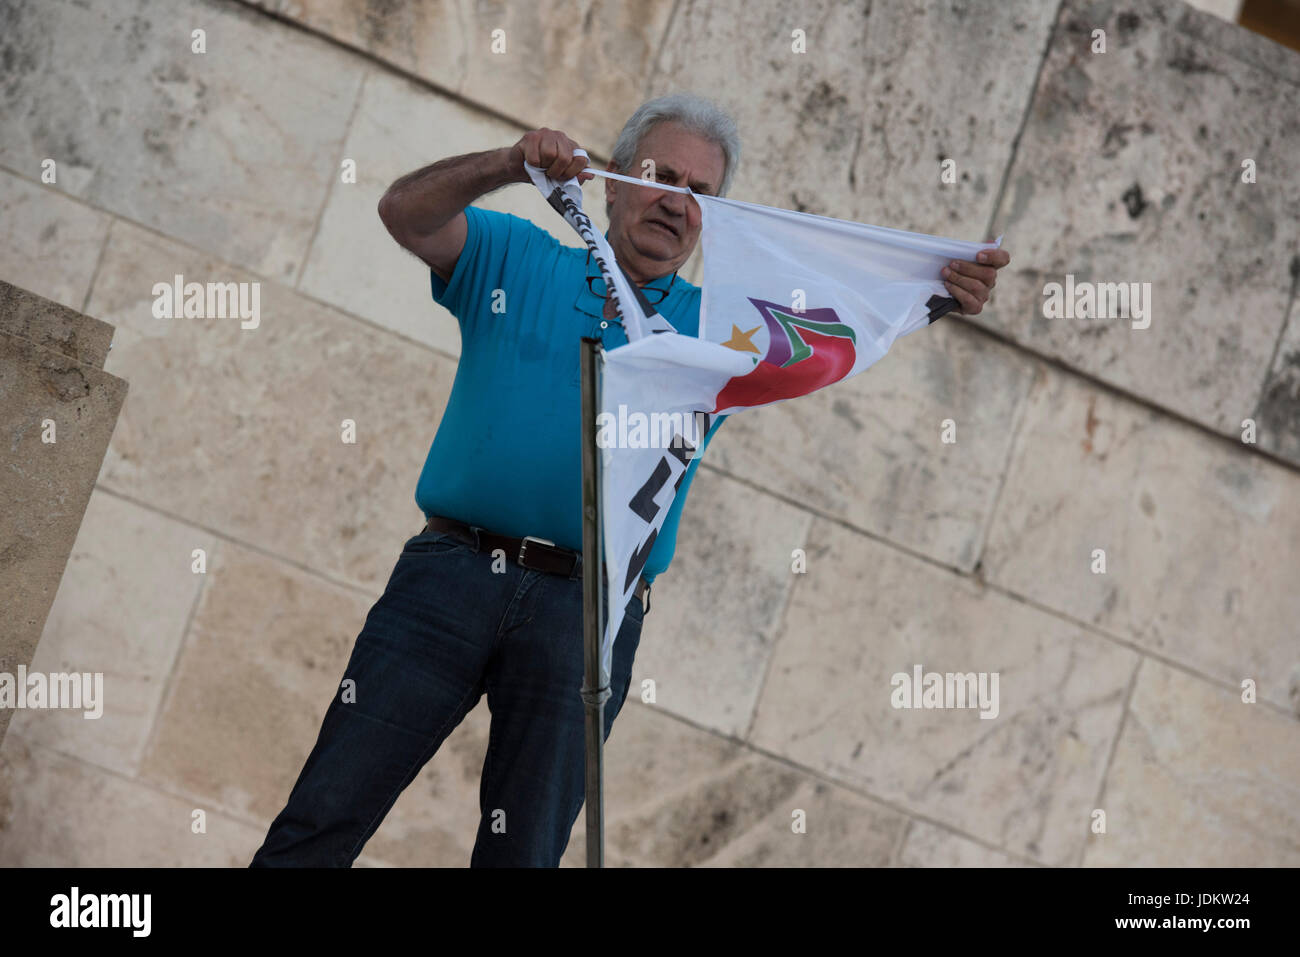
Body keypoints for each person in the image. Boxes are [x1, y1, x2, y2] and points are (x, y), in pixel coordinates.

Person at [249, 92, 1008, 868]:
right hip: (451, 579)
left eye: (700, 194)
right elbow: (405, 212)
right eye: (661, 175)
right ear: (611, 179)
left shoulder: (726, 331)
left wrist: (935, 292)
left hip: (587, 615)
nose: (677, 203)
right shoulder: (514, 255)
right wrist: (509, 164)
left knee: (523, 858)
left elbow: (844, 331)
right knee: (324, 817)